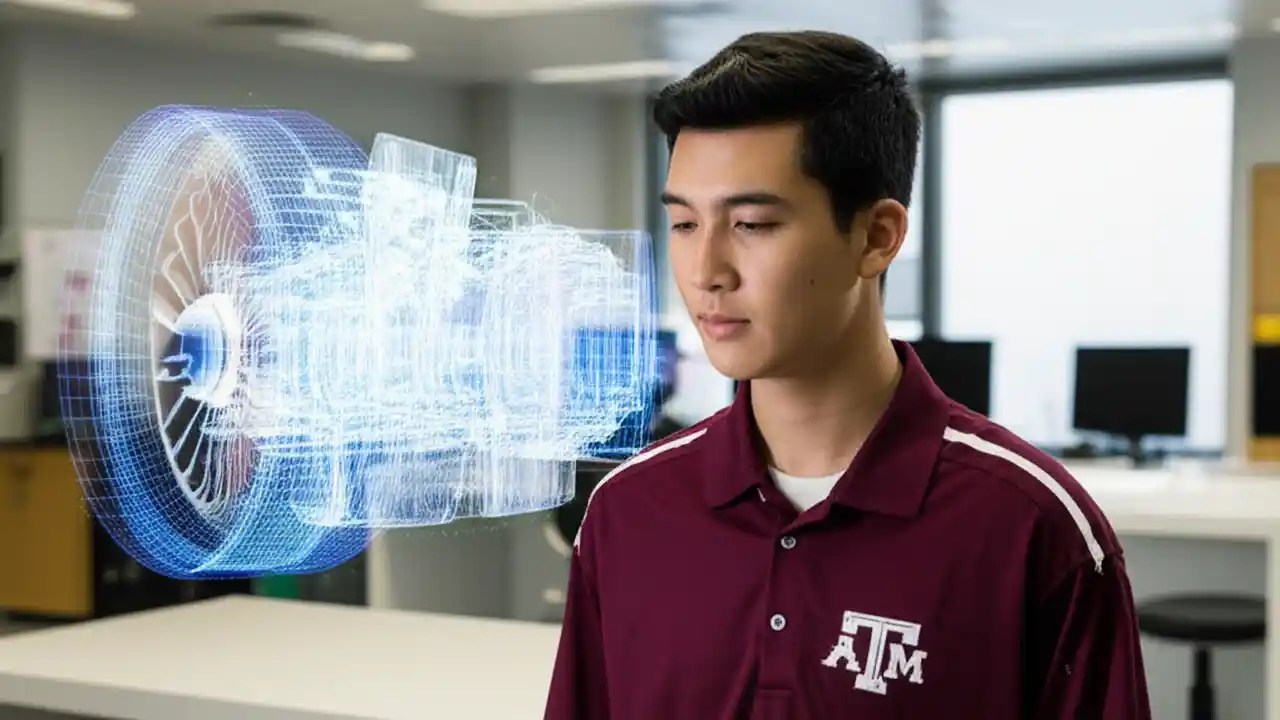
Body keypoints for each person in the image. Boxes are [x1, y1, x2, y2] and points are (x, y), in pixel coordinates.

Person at [545, 30, 1150, 720]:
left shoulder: (1033, 529)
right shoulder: (627, 513)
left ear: (877, 236)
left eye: (750, 223)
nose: (706, 271)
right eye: (684, 224)